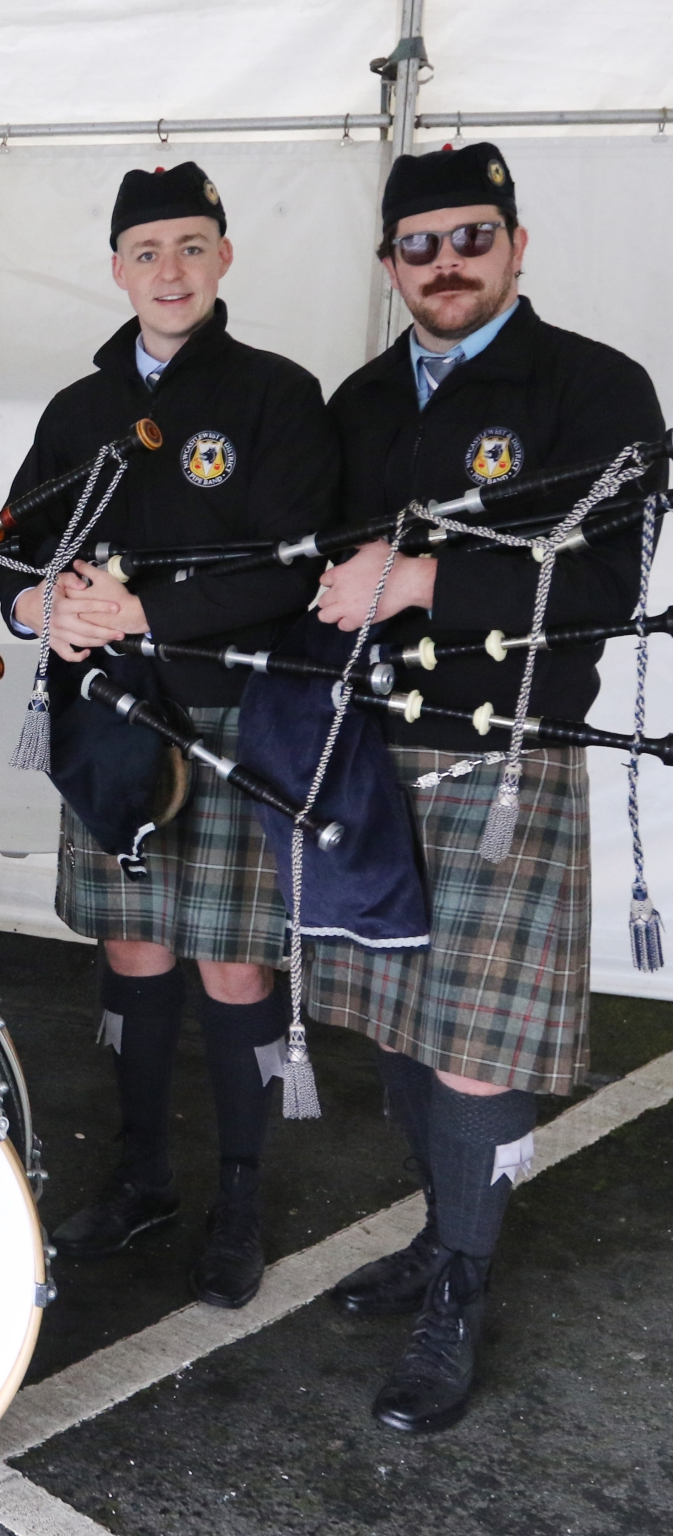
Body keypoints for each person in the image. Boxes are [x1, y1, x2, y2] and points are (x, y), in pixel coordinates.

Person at [310, 141, 664, 1432]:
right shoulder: (357, 403)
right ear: (391, 261)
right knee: (403, 1028)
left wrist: (418, 585)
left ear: (517, 245)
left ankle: (461, 1286)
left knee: (476, 1053)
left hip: (506, 758)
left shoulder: (595, 388)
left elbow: (605, 587)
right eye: (421, 244)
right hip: (370, 758)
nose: (446, 263)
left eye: (471, 238)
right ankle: (438, 1231)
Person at [0, 164, 339, 1307]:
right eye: (147, 252)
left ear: (225, 257)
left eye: (192, 247)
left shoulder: (278, 395)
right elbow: (15, 551)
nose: (170, 271)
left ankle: (238, 1193)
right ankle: (143, 1177)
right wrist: (38, 607)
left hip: (231, 713)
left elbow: (295, 565)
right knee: (134, 950)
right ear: (117, 269)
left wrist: (143, 610)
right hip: (107, 718)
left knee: (235, 961)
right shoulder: (77, 408)